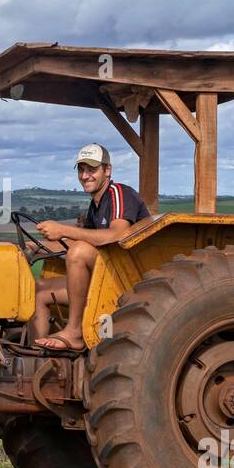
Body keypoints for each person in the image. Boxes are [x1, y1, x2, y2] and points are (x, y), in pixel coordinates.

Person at [30, 143, 151, 352]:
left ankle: (75, 331)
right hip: (104, 278)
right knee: (38, 290)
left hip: (129, 280)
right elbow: (86, 238)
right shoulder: (96, 204)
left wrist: (63, 229)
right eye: (81, 170)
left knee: (79, 253)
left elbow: (117, 235)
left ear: (107, 170)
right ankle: (37, 355)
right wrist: (36, 247)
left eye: (92, 169)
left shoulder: (120, 193)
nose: (85, 176)